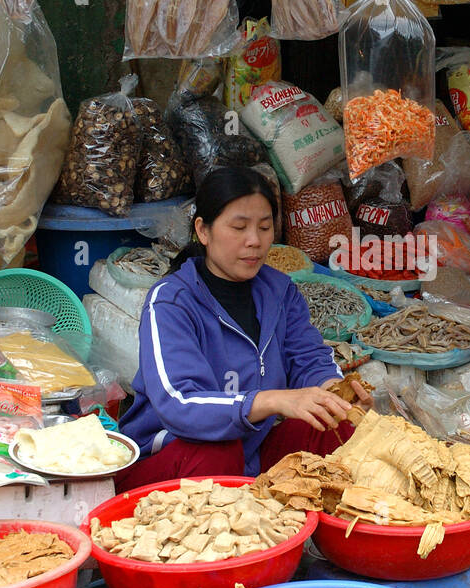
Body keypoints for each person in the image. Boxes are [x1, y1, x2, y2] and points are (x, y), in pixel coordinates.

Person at [117, 166, 371, 490]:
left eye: (265, 228)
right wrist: (273, 401)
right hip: (173, 461)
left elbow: (310, 361)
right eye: (239, 227)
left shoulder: (281, 293)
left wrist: (337, 392)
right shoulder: (171, 302)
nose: (254, 241)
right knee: (217, 453)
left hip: (250, 456)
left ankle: (316, 533)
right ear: (203, 231)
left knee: (336, 425)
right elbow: (180, 403)